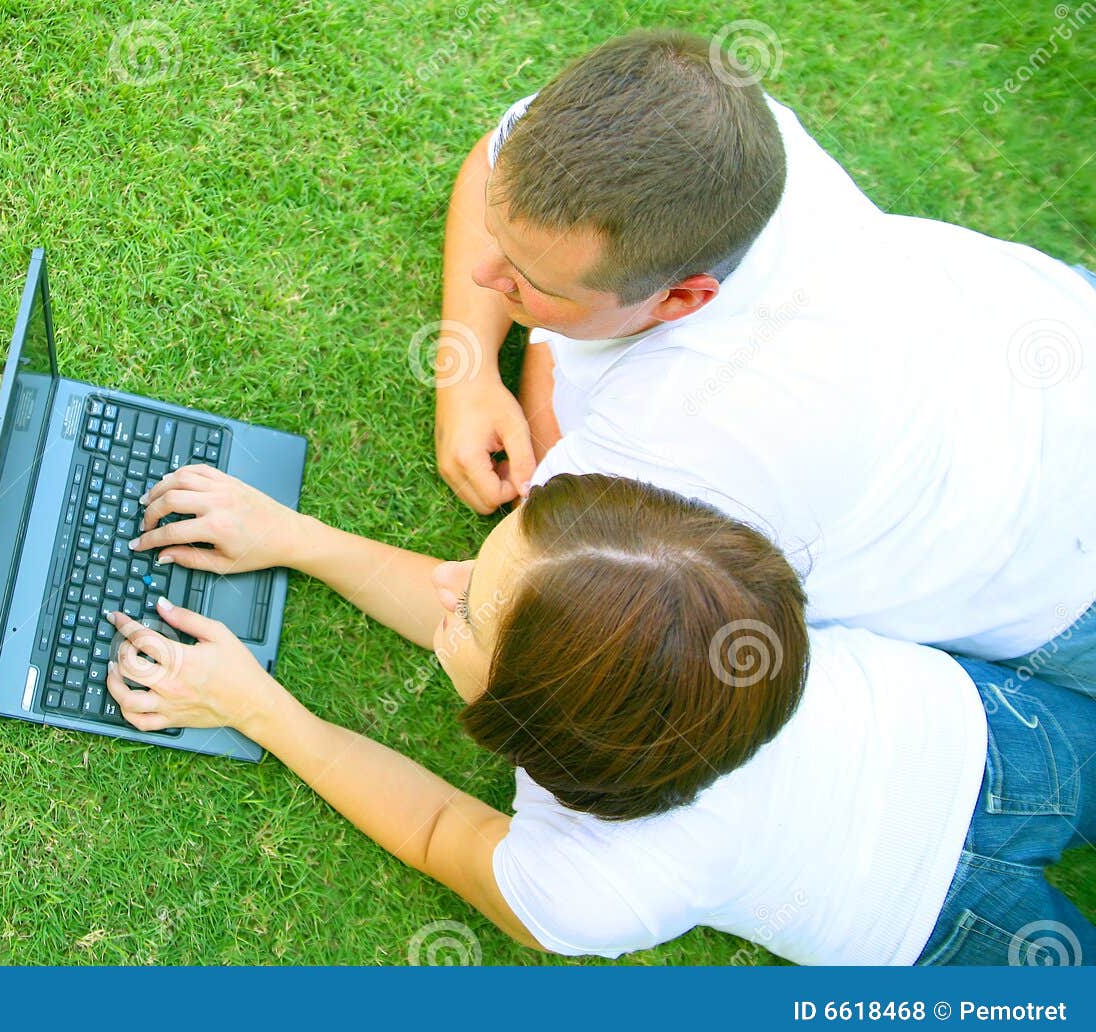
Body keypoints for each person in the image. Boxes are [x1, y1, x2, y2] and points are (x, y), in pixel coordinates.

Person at [108, 464, 1095, 965]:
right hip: (989, 732)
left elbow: (442, 826)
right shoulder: (683, 604)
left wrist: (262, 710)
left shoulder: (594, 891)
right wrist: (296, 537)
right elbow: (505, 618)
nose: (442, 577)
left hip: (940, 918)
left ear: (530, 724)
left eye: (466, 606)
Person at [430, 29, 1096, 695]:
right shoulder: (691, 127)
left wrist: (542, 396)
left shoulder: (687, 438)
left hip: (1062, 582)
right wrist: (467, 370)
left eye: (536, 281)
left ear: (683, 297)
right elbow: (494, 163)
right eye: (499, 234)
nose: (485, 275)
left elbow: (523, 608)